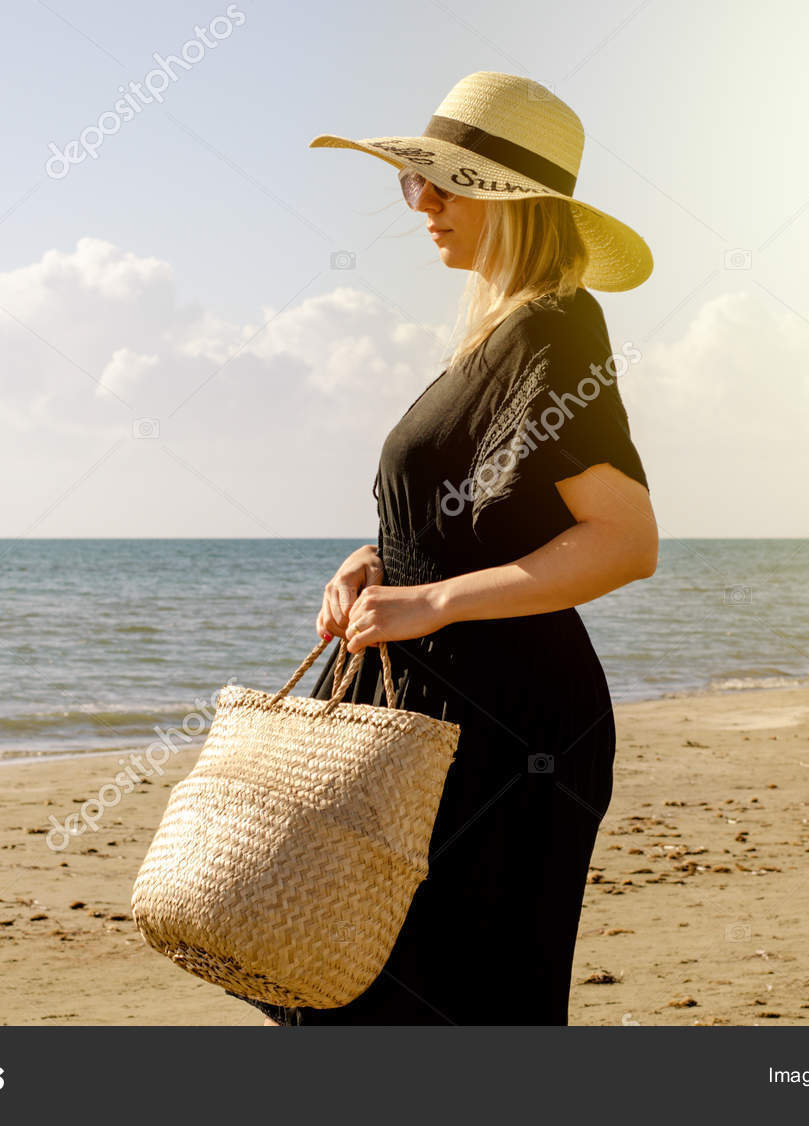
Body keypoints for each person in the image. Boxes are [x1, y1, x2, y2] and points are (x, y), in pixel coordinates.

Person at [237, 70, 657, 1025]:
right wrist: (377, 559)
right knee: (344, 979)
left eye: (444, 182)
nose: (420, 203)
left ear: (510, 203)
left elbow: (626, 541)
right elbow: (475, 518)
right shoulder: (498, 336)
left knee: (434, 1004)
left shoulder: (558, 326)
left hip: (507, 725)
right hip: (436, 710)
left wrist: (433, 602)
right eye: (410, 182)